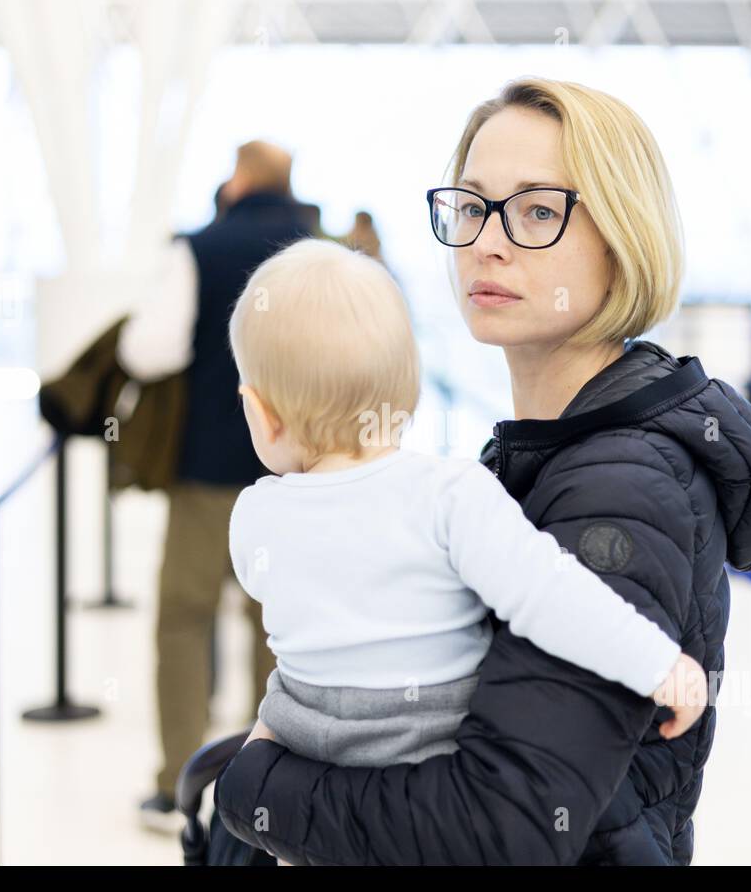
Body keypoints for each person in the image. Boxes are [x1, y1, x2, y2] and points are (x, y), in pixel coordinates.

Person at [214, 78, 751, 864]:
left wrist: (251, 790)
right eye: (472, 205)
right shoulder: (530, 453)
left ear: (622, 239)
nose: (488, 241)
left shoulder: (626, 490)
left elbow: (497, 831)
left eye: (537, 212)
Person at [224, 239, 706, 826]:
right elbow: (550, 596)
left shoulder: (255, 517)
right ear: (409, 389)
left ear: (260, 412)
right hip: (427, 754)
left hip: (304, 748)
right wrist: (658, 663)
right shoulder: (450, 495)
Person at [120, 140, 315, 833]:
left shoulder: (197, 249)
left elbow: (150, 350)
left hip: (207, 469)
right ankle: (275, 771)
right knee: (279, 623)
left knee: (185, 613)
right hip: (298, 473)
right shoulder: (318, 253)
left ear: (237, 179)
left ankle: (179, 779)